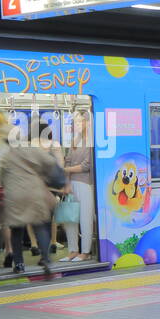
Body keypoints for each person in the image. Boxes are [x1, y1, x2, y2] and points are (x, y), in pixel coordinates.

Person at [0, 128, 63, 277]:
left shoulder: (7, 156)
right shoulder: (33, 150)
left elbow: (1, 178)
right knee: (39, 227)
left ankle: (19, 264)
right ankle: (46, 259)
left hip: (14, 197)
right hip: (34, 193)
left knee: (16, 231)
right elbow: (50, 162)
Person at [59, 111, 95, 262]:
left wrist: (66, 170)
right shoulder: (74, 141)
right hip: (72, 184)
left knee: (85, 218)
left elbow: (87, 166)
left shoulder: (91, 142)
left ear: (88, 123)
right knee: (70, 219)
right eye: (74, 123)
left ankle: (85, 252)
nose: (76, 125)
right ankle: (73, 250)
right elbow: (67, 160)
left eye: (80, 122)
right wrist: (66, 183)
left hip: (86, 183)